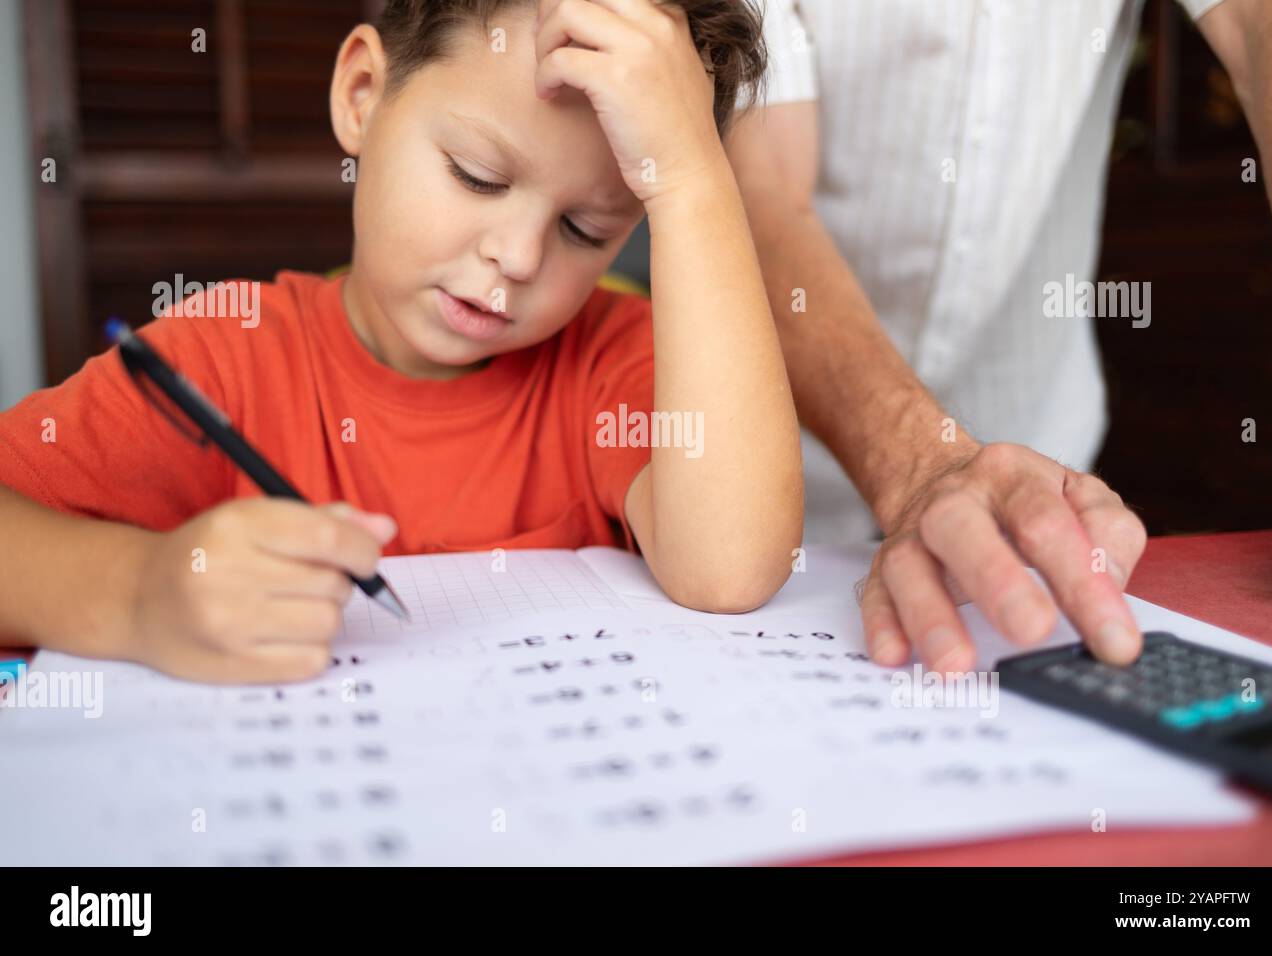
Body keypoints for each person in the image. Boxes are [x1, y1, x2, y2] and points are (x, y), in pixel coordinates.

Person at [0, 0, 803, 682]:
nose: (518, 259)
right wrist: (142, 597)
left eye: (584, 229)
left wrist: (692, 183)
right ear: (362, 94)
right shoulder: (226, 355)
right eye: (478, 175)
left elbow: (728, 568)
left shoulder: (616, 364)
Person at [727, 0, 1272, 670]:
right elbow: (758, 187)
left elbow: (1268, 17)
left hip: (1042, 500)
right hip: (763, 496)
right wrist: (921, 465)